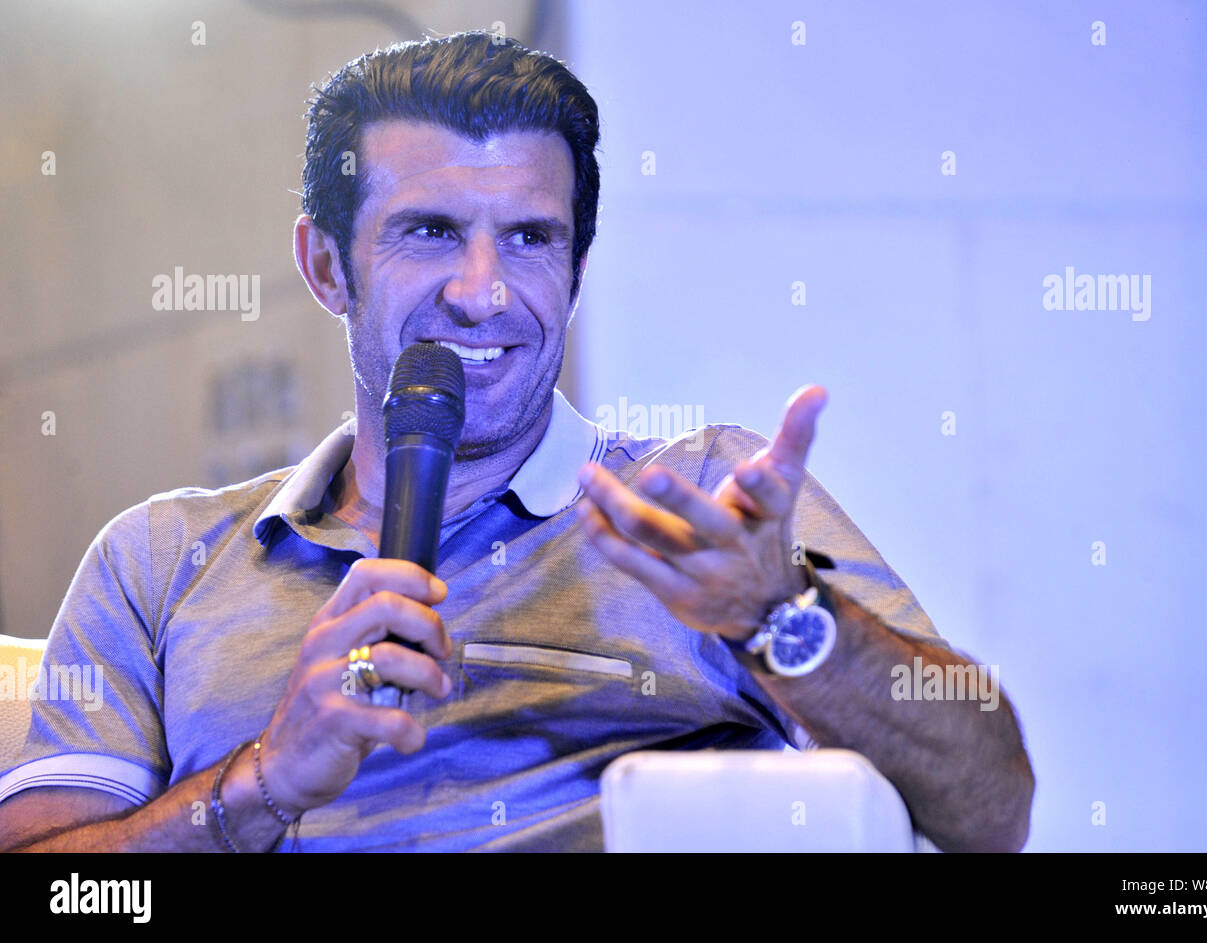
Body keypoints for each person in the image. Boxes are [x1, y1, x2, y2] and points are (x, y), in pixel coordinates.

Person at [0, 31, 1033, 852]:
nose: (483, 292)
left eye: (531, 239)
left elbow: (990, 814)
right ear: (325, 266)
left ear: (576, 272)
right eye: (430, 231)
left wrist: (780, 616)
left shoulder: (706, 500)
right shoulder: (158, 560)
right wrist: (262, 780)